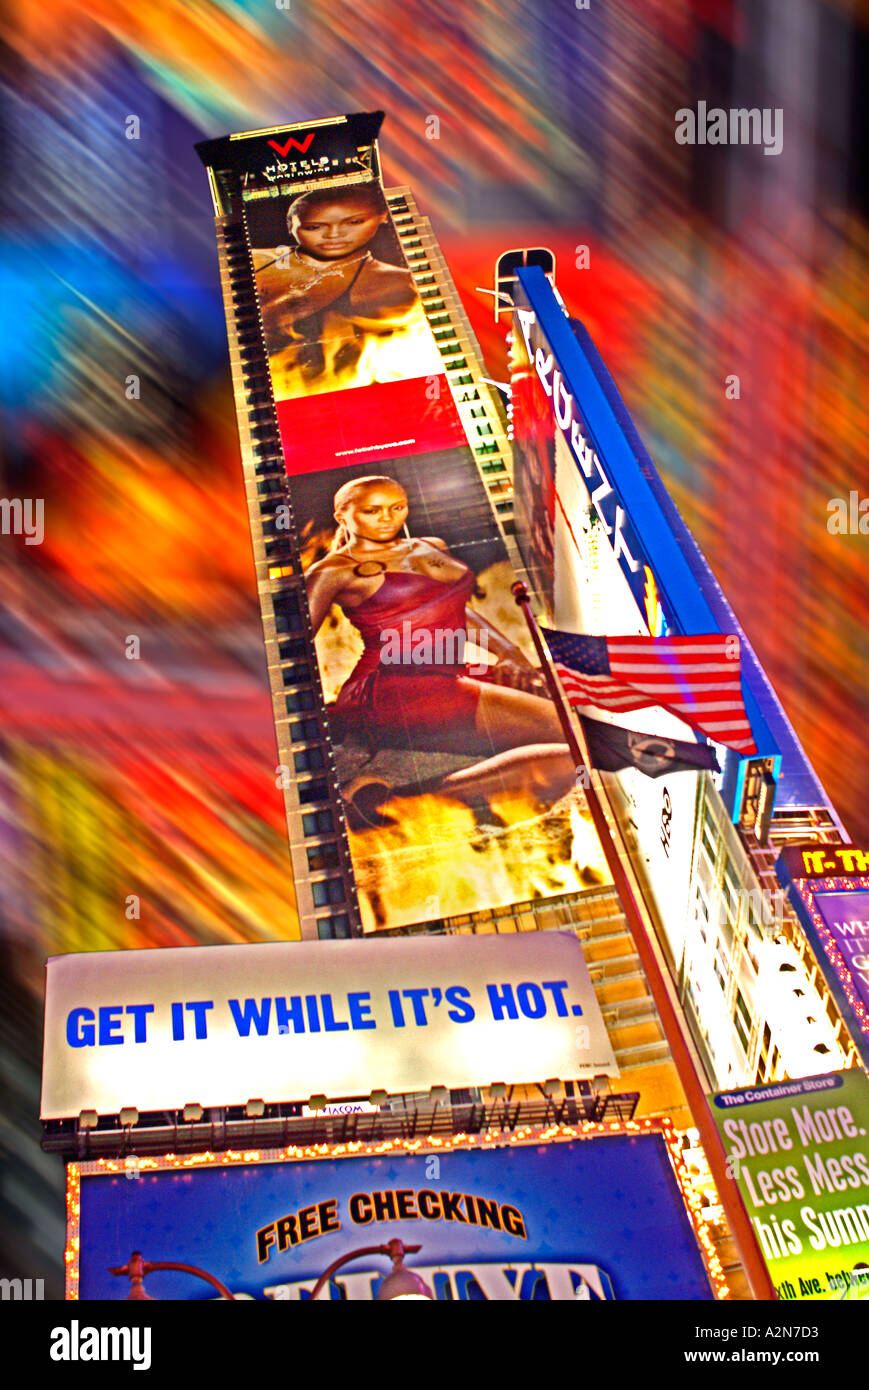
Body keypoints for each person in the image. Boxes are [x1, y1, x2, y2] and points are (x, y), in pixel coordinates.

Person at [304, 475, 576, 824]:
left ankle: (395, 795)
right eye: (372, 511)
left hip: (448, 672)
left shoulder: (431, 546)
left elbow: (452, 608)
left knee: (564, 699)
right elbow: (295, 648)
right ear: (342, 516)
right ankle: (393, 802)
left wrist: (508, 651)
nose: (387, 518)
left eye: (397, 508)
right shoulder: (332, 571)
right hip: (392, 688)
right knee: (567, 730)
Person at [252, 184, 438, 396]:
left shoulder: (398, 284)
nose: (334, 235)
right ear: (292, 226)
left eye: (355, 222)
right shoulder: (259, 260)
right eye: (314, 227)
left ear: (382, 218)